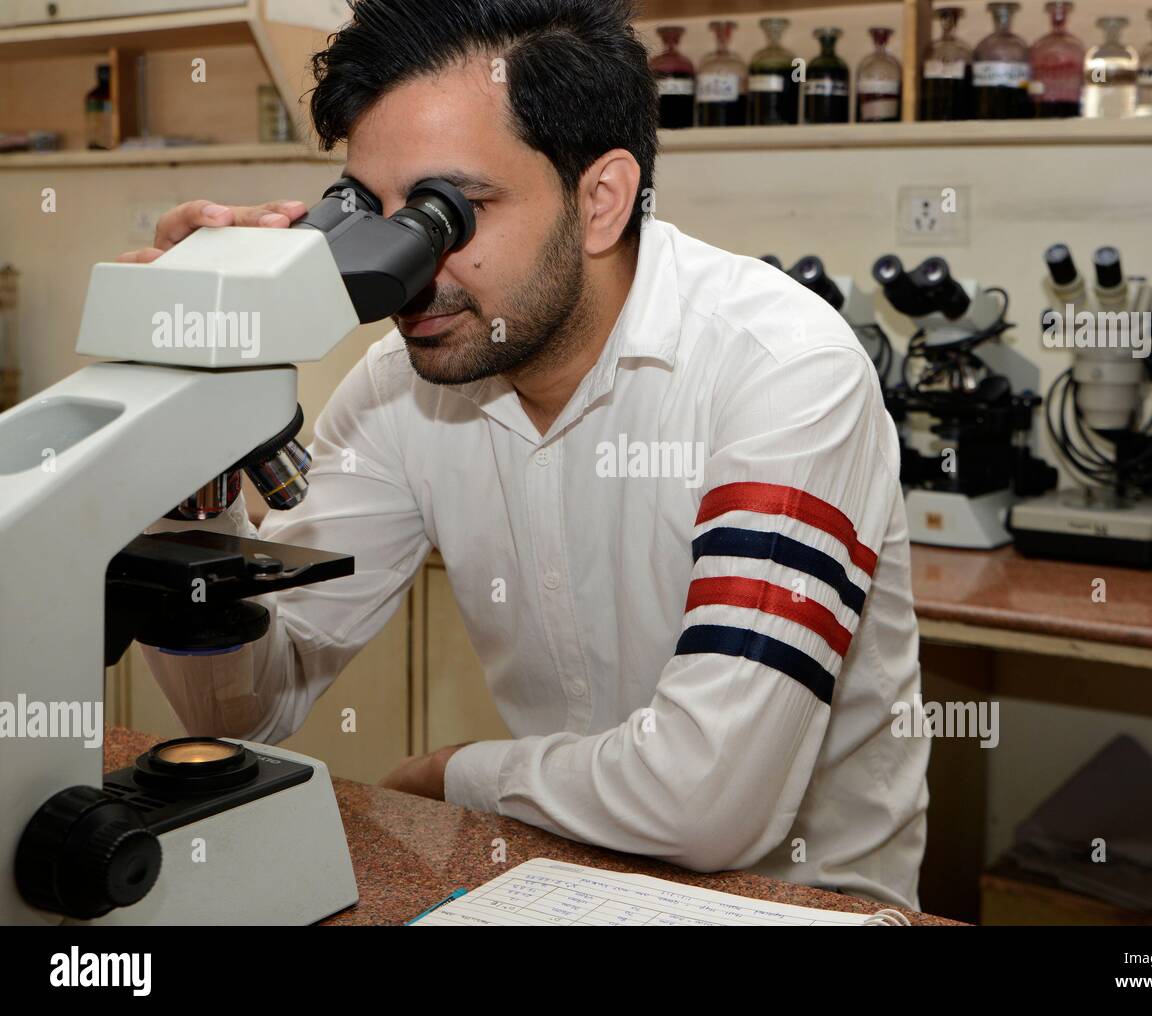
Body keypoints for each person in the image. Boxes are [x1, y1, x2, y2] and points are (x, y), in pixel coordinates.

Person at [119, 0, 929, 909]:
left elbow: (710, 802)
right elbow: (243, 713)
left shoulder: (783, 371)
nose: (403, 267)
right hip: (550, 880)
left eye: (447, 211)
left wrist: (452, 773)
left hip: (795, 901)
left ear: (600, 201)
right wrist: (189, 460)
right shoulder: (402, 386)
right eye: (370, 211)